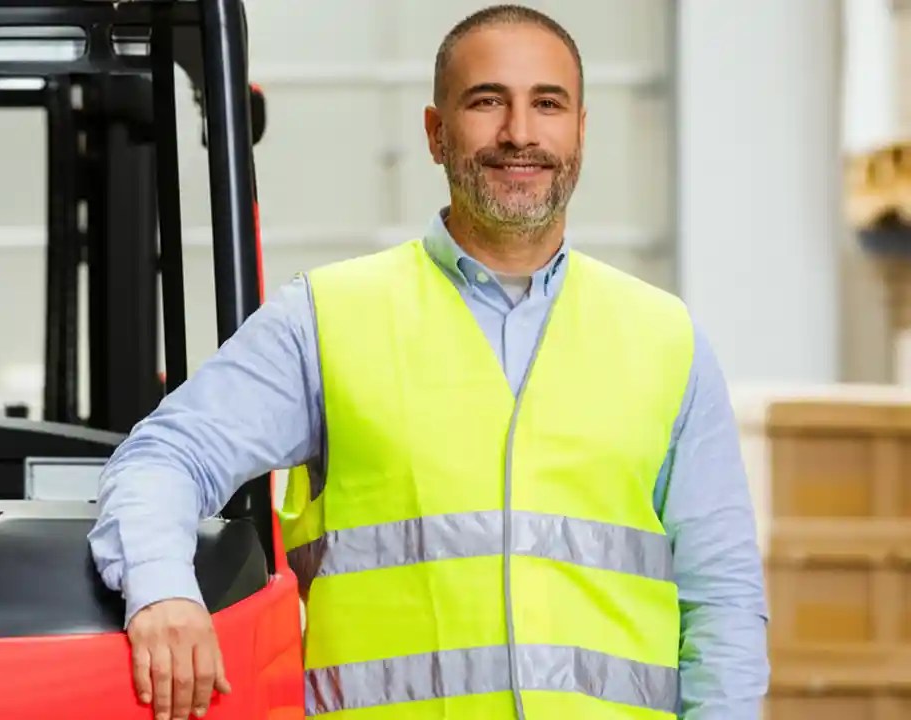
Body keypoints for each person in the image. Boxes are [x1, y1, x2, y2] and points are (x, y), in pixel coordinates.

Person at [88, 4, 769, 719]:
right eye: (487, 102)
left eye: (547, 104)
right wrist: (163, 590)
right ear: (436, 134)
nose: (520, 133)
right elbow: (162, 458)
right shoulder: (328, 319)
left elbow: (721, 602)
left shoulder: (666, 338)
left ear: (580, 131)